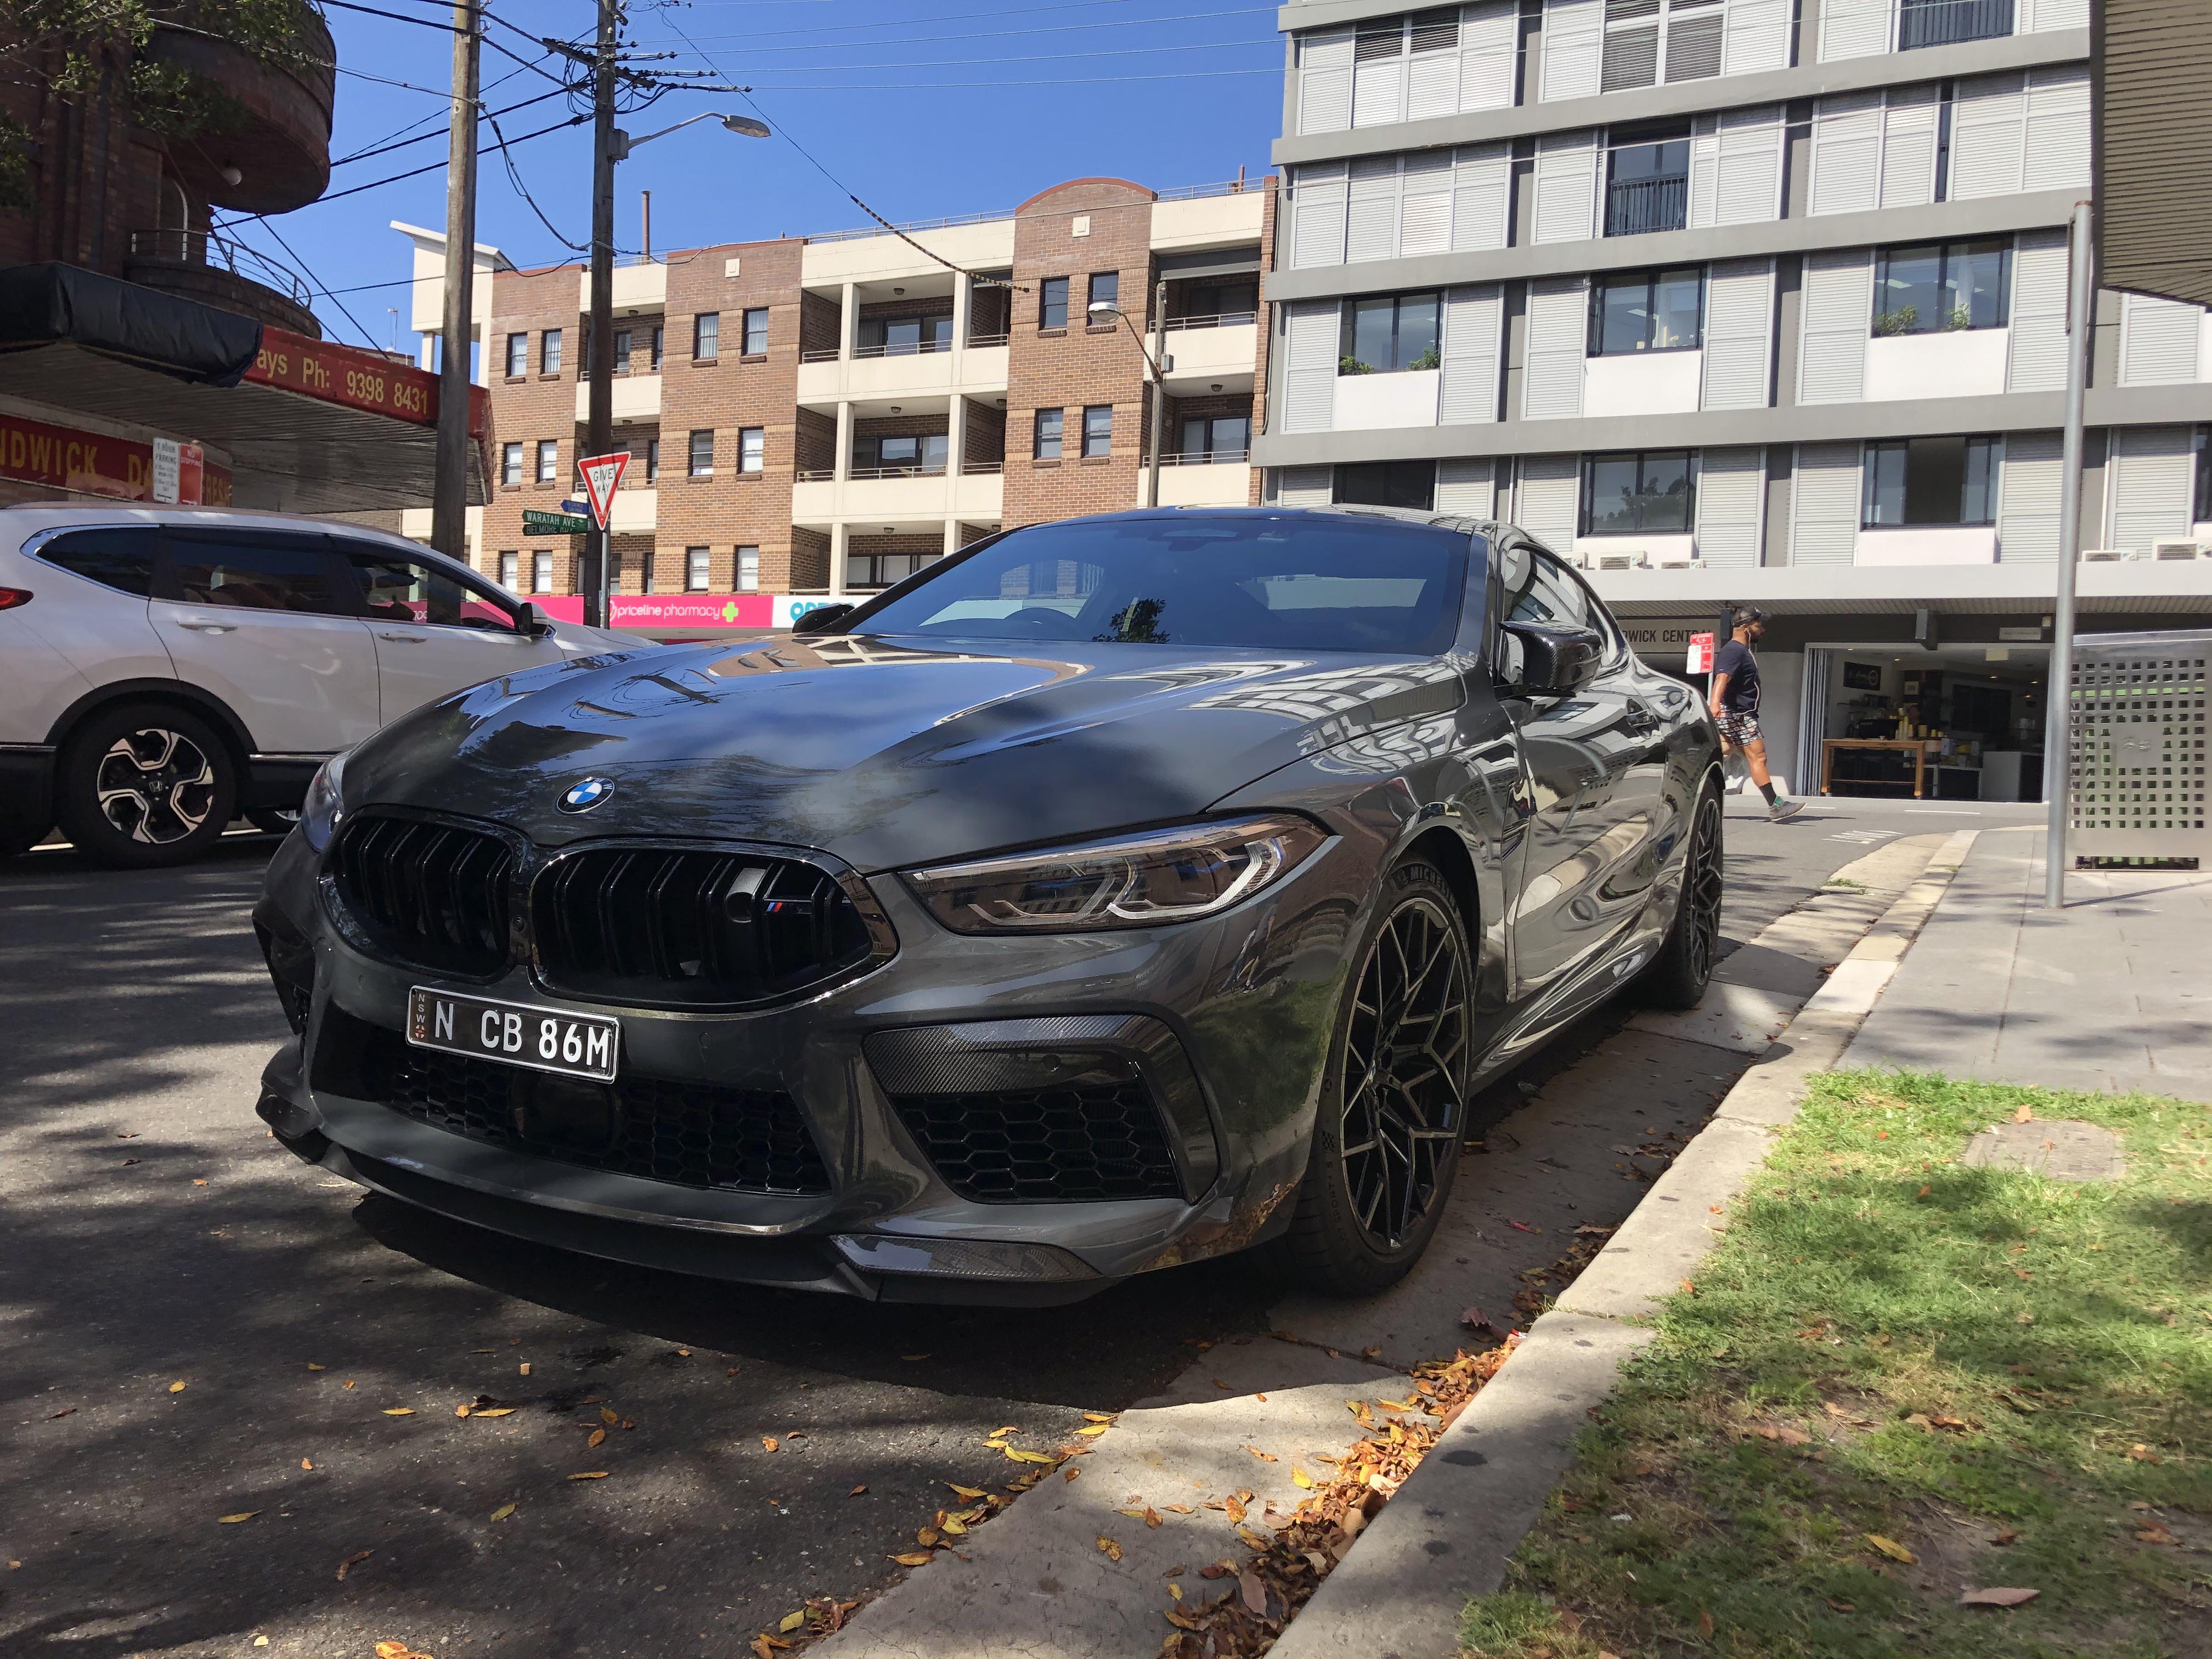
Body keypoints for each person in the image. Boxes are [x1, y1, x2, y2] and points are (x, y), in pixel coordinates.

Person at [1709, 605, 1803, 823]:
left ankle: (1685, 787)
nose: (1763, 629)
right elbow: (1722, 678)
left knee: (1723, 751)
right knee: (1758, 757)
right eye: (1759, 625)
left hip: (1737, 713)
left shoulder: (1741, 650)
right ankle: (1776, 806)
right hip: (1739, 714)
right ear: (1746, 627)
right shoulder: (1734, 650)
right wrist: (1714, 704)